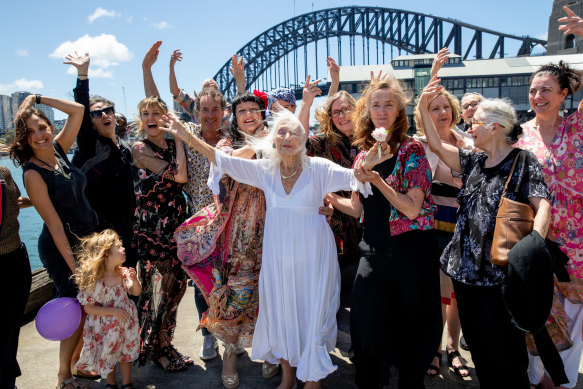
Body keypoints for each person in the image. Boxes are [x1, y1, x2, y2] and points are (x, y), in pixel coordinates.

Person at [160, 107, 375, 389]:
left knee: (314, 311)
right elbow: (221, 159)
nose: (287, 136)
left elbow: (355, 176)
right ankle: (287, 377)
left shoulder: (319, 168)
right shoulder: (265, 171)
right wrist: (186, 135)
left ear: (303, 138)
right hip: (278, 259)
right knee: (281, 312)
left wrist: (377, 147)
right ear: (273, 139)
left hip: (314, 258)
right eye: (281, 131)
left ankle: (312, 379)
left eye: (293, 131)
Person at [419, 75, 551, 387]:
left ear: (494, 127)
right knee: (479, 347)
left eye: (475, 123)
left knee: (506, 349)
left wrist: (535, 246)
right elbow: (436, 145)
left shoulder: (522, 160)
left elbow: (542, 205)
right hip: (466, 274)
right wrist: (423, 106)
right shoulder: (474, 160)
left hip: (500, 277)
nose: (469, 129)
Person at [327, 76, 442, 388]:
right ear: (367, 111)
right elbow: (357, 209)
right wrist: (325, 197)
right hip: (374, 252)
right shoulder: (362, 155)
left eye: (388, 104)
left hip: (411, 254)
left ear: (398, 110)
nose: (381, 110)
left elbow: (412, 209)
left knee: (412, 332)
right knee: (366, 330)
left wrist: (377, 180)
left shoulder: (412, 150)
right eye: (375, 104)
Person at [176, 91, 273, 388]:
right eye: (241, 110)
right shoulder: (226, 144)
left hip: (275, 223)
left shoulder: (277, 140)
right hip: (240, 228)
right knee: (239, 288)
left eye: (253, 109)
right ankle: (230, 354)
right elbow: (227, 162)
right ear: (236, 116)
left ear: (261, 112)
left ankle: (270, 349)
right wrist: (265, 142)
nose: (248, 115)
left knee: (271, 288)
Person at [142, 42, 229, 361]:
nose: (209, 115)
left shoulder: (230, 136)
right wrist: (148, 70)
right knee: (204, 286)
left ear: (222, 112)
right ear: (199, 112)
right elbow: (157, 109)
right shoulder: (187, 133)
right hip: (199, 224)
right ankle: (208, 336)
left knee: (230, 283)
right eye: (204, 110)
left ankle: (230, 335)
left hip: (230, 222)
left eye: (214, 110)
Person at [515, 8, 583, 388]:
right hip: (535, 242)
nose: (537, 95)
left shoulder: (579, 127)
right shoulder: (518, 135)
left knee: (573, 321)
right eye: (533, 90)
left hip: (577, 245)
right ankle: (540, 379)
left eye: (545, 90)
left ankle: (560, 382)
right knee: (537, 316)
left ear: (563, 95)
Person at [10, 94, 97, 389]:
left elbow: (78, 111)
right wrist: (75, 269)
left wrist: (36, 97)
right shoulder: (33, 173)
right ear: (25, 140)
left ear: (50, 127)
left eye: (42, 127)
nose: (39, 136)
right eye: (31, 132)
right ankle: (64, 374)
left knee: (88, 307)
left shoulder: (59, 150)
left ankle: (78, 364)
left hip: (86, 241)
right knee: (74, 307)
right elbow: (55, 226)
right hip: (62, 249)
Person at [413, 48, 473, 378]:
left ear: (454, 111)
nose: (441, 113)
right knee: (438, 292)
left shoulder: (469, 142)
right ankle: (435, 348)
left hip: (465, 227)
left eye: (445, 107)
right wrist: (434, 72)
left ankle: (454, 346)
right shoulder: (422, 145)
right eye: (434, 109)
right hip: (435, 225)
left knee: (459, 292)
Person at [131, 95, 191, 370]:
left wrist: (176, 137)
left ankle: (166, 344)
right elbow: (179, 176)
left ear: (166, 117)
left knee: (176, 290)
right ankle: (157, 351)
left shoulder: (169, 144)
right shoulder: (139, 148)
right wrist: (180, 139)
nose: (151, 118)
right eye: (146, 114)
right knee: (157, 293)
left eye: (157, 113)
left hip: (176, 224)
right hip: (153, 229)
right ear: (141, 119)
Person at [65, 52, 136, 268]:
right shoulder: (90, 147)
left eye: (108, 111)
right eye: (97, 114)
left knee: (129, 289)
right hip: (101, 234)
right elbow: (81, 112)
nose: (104, 115)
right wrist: (83, 75)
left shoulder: (124, 147)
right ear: (91, 122)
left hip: (126, 232)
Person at [73, 229, 141, 389]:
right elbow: (89, 308)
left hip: (125, 323)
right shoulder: (96, 281)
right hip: (105, 326)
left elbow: (135, 292)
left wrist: (135, 280)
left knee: (125, 354)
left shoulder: (123, 273)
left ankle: (126, 383)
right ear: (106, 256)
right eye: (118, 247)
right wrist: (113, 312)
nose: (123, 249)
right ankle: (110, 383)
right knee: (108, 354)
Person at [0, 166, 32, 389]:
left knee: (11, 328)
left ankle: (7, 379)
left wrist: (45, 195)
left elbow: (17, 201)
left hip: (14, 259)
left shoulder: (3, 173)